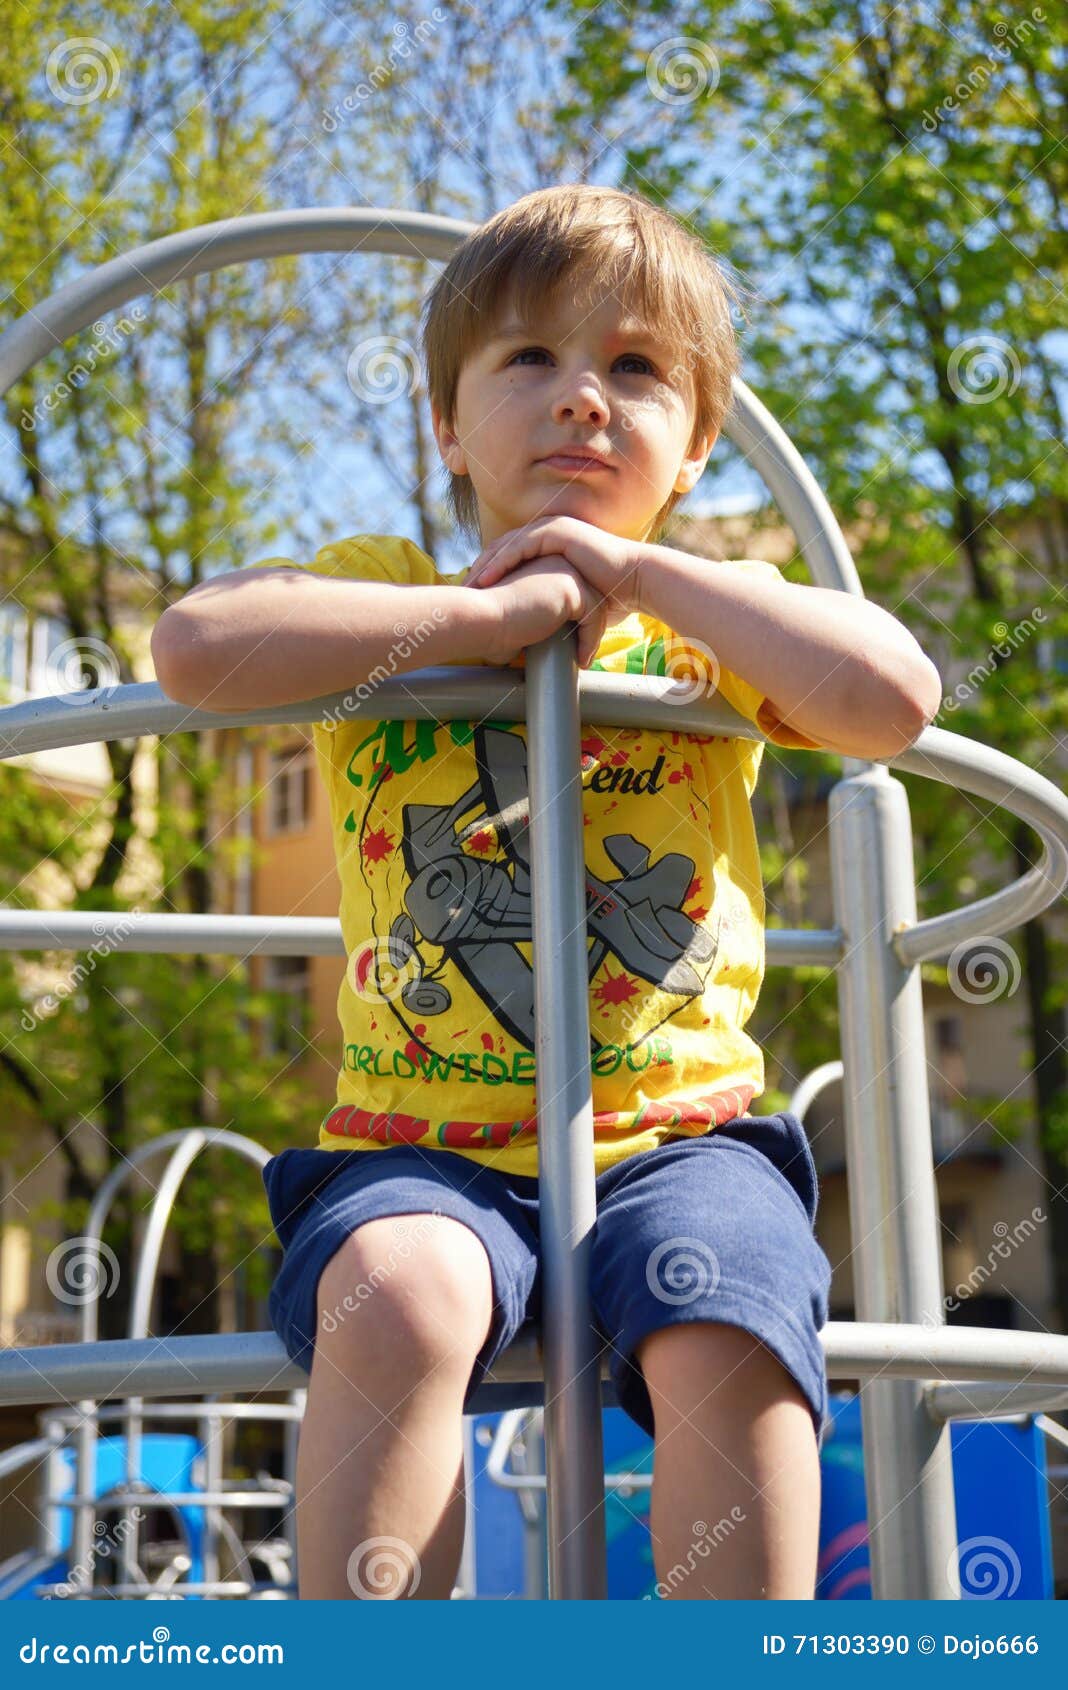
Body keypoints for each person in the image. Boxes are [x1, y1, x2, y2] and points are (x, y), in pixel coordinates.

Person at [150, 183, 941, 1601]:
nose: (582, 396)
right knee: (398, 1292)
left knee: (731, 1318)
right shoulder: (389, 600)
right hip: (418, 1147)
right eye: (529, 357)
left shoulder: (707, 635)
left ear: (697, 442)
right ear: (446, 427)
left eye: (634, 367)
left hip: (680, 1138)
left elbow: (894, 697)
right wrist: (482, 621)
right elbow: (199, 647)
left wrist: (642, 575)